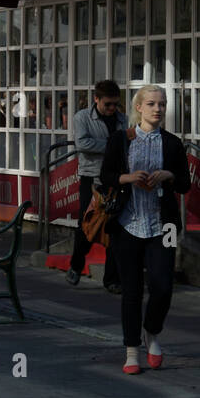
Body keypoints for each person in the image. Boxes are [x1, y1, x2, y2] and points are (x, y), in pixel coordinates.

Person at [99, 84, 191, 375]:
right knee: (132, 291)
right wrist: (127, 178)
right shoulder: (120, 140)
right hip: (127, 225)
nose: (158, 109)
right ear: (138, 108)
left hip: (164, 225)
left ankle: (151, 332)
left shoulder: (173, 143)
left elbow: (186, 184)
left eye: (162, 104)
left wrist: (169, 175)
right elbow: (105, 176)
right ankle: (131, 351)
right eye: (151, 104)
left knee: (163, 287)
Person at [67, 80, 125, 292]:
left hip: (116, 179)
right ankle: (76, 264)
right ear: (96, 99)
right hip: (91, 178)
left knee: (115, 228)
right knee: (87, 223)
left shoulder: (121, 119)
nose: (111, 109)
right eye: (107, 104)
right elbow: (83, 143)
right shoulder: (82, 117)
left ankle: (111, 280)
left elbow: (127, 144)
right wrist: (112, 145)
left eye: (115, 105)